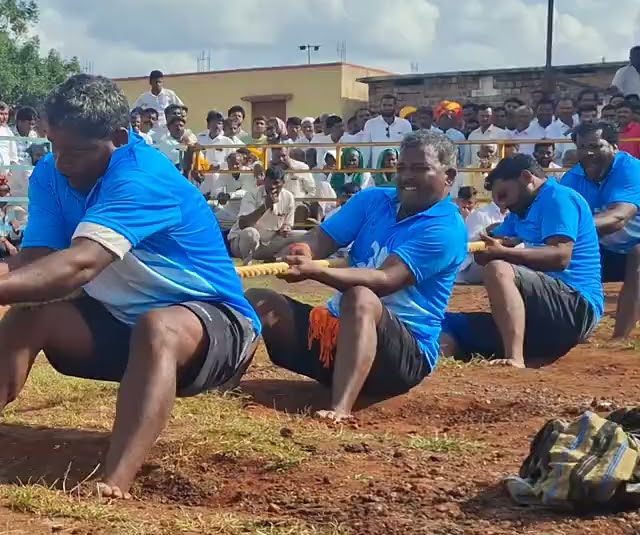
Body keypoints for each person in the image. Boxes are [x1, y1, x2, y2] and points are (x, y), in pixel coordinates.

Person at [0, 74, 260, 499]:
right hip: (122, 328)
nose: (60, 163)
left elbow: (80, 264)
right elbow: (40, 258)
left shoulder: (143, 176)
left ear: (118, 137)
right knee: (31, 313)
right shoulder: (51, 171)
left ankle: (115, 482)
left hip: (217, 330)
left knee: (160, 327)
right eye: (54, 146)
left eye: (76, 152)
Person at [246, 130, 468, 422]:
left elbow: (385, 281)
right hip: (338, 335)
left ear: (448, 176)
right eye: (402, 168)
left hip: (403, 360)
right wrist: (304, 249)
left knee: (362, 296)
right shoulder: (373, 200)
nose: (407, 177)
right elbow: (323, 237)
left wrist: (315, 271)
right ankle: (224, 382)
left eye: (419, 168)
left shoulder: (446, 229)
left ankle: (340, 407)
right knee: (258, 300)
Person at [440, 156, 601, 368]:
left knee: (498, 268)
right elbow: (493, 241)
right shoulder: (521, 210)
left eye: (505, 195)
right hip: (540, 317)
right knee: (445, 323)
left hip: (576, 308)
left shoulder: (558, 198)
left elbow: (560, 256)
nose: (503, 204)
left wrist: (501, 253)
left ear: (526, 177)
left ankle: (514, 357)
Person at [560, 120, 640, 340]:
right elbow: (556, 216)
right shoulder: (573, 178)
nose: (588, 153)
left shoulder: (630, 169)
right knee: (560, 256)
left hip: (630, 246)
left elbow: (618, 218)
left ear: (615, 147)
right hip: (607, 248)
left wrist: (568, 229)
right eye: (582, 147)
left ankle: (620, 339)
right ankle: (571, 330)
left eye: (596, 146)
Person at [227, 165, 302, 261]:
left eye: (276, 183)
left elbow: (288, 224)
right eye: (269, 183)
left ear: (283, 183)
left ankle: (276, 259)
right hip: (242, 242)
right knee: (251, 233)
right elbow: (243, 224)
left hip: (268, 243)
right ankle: (247, 264)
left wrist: (286, 228)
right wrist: (265, 206)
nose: (272, 187)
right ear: (264, 180)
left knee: (303, 235)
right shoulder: (252, 194)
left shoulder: (288, 197)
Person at [362, 94, 413, 168]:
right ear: (380, 106)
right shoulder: (370, 124)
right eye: (384, 105)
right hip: (377, 169)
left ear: (395, 107)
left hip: (398, 168)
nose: (387, 108)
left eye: (390, 105)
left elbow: (409, 148)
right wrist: (364, 170)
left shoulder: (405, 124)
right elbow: (365, 149)